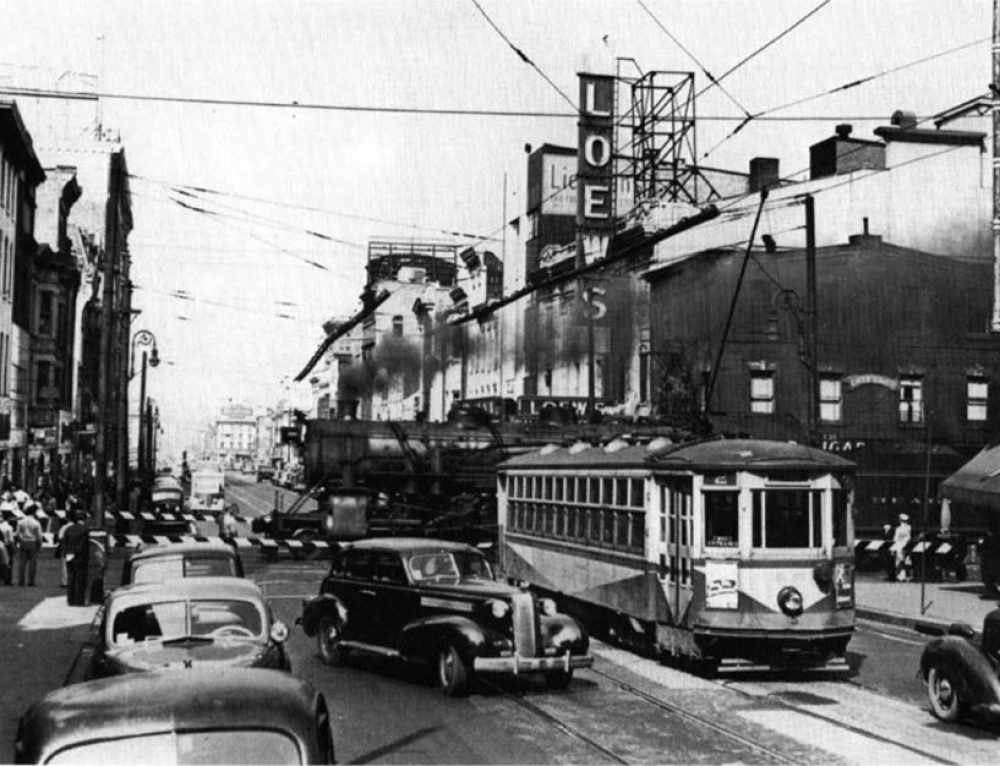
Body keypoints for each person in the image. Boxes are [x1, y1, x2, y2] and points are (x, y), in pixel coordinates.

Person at [62, 511, 90, 606]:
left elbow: (64, 543)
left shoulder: (68, 529)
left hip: (69, 556)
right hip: (80, 557)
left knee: (71, 579)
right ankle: (79, 600)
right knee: (80, 579)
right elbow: (83, 544)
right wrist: (76, 552)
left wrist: (67, 554)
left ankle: (71, 599)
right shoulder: (84, 530)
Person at [15, 503, 44, 586]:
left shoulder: (21, 522)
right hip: (32, 541)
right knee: (32, 563)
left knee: (22, 563)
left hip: (23, 541)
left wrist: (20, 540)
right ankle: (31, 581)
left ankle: (21, 581)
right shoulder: (36, 523)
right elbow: (39, 536)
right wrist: (40, 546)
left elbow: (17, 534)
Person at [893, 513, 913, 582]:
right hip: (906, 546)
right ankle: (906, 576)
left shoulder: (898, 528)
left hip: (899, 545)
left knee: (899, 561)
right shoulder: (909, 527)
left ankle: (900, 577)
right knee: (906, 562)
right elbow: (909, 537)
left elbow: (895, 538)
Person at [0, 512, 13, 585]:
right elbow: (11, 539)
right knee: (7, 563)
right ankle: (7, 580)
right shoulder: (8, 526)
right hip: (6, 545)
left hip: (3, 544)